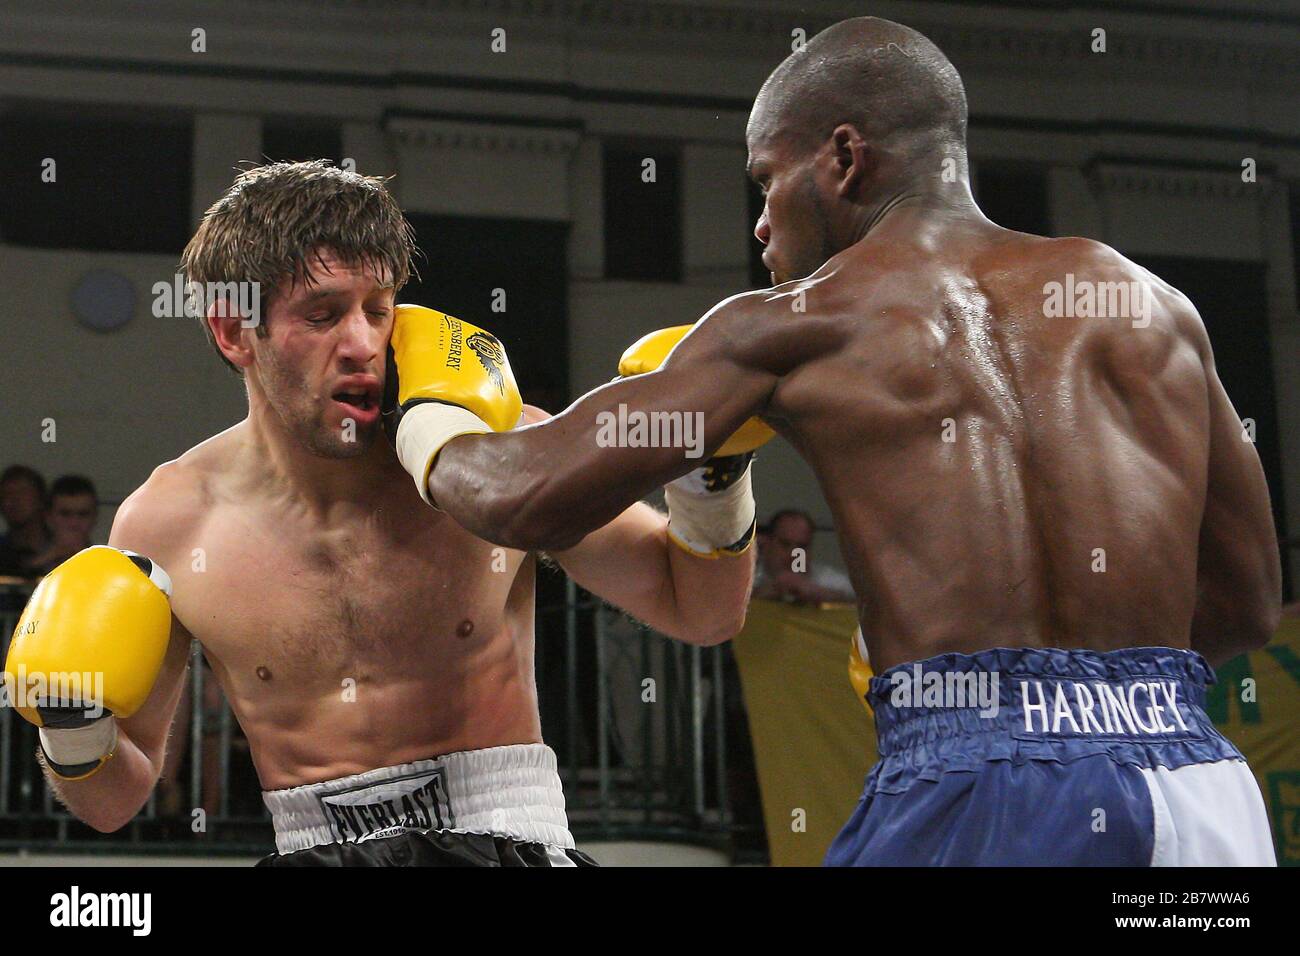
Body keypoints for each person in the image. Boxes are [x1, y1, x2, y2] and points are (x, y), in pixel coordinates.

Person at [400, 18, 1282, 866]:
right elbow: (1247, 607)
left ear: (845, 157)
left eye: (765, 180)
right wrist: (1079, 691)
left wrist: (424, 404)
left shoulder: (795, 324)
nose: (758, 226)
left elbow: (520, 495)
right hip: (1198, 786)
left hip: (983, 786)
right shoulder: (1150, 305)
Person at [2, 161, 757, 867]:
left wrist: (711, 481)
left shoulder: (491, 458)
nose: (362, 344)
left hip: (505, 838)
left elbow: (702, 610)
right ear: (234, 331)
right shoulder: (169, 523)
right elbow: (113, 802)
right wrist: (73, 730)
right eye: (322, 314)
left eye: (378, 308)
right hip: (310, 851)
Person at [752, 508, 855, 604]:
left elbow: (859, 598)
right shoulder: (749, 576)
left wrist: (818, 593)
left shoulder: (826, 579)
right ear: (767, 544)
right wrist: (761, 594)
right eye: (785, 544)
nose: (794, 554)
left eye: (802, 546)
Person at [24, 474, 100, 576]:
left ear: (94, 517)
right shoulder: (21, 556)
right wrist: (48, 557)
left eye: (83, 514)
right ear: (49, 517)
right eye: (65, 514)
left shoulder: (109, 561)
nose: (74, 523)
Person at [0, 465, 51, 576]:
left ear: (40, 499)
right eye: (6, 494)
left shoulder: (63, 547)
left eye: (22, 492)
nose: (13, 500)